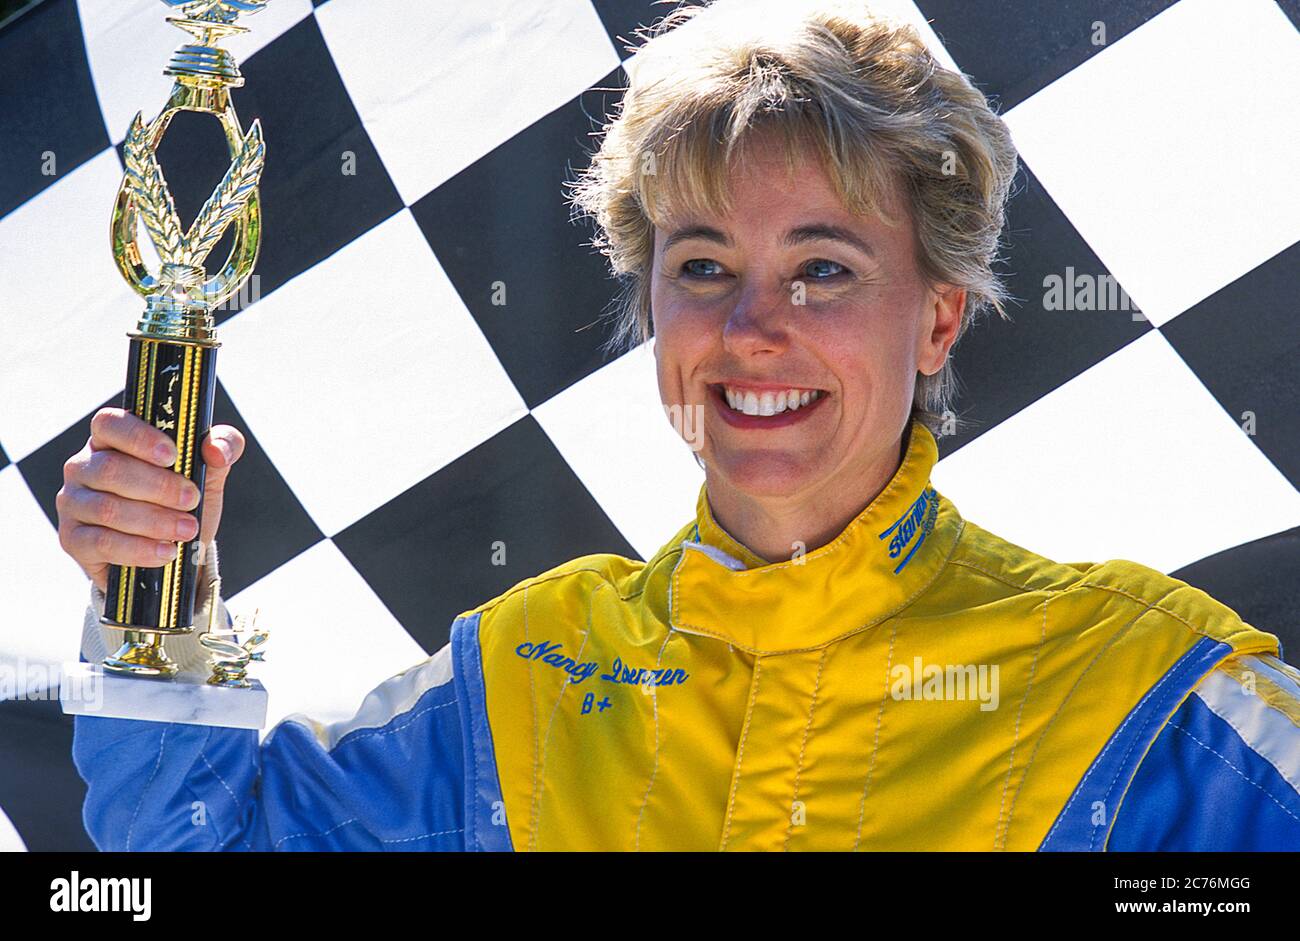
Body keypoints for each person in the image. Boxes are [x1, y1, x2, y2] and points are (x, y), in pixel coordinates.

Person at [59, 0, 1300, 851]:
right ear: (649, 303)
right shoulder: (529, 670)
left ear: (936, 320)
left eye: (821, 269)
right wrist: (153, 597)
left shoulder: (1148, 690)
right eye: (702, 266)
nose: (754, 327)